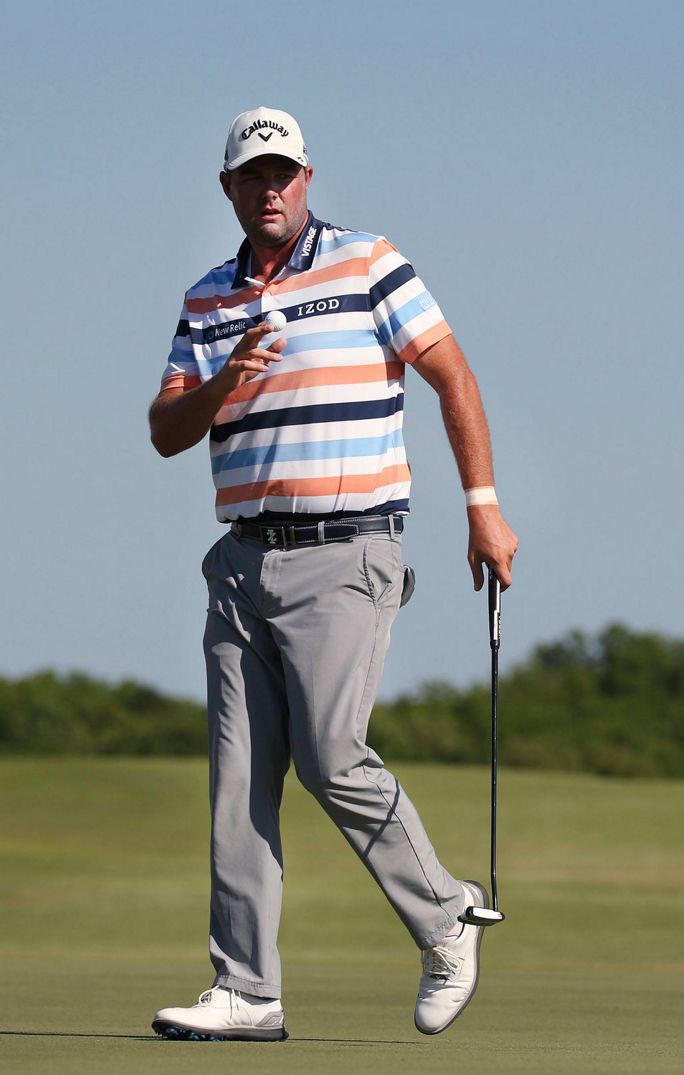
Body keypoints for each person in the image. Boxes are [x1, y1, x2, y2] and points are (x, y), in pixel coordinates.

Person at [147, 107, 518, 1042]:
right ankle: (247, 989)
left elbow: (451, 373)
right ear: (227, 190)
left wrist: (482, 506)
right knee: (238, 781)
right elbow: (165, 429)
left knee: (330, 754)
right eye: (251, 176)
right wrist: (227, 377)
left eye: (284, 173)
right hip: (238, 562)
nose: (269, 189)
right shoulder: (206, 301)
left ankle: (445, 917)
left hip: (347, 547)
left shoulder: (368, 260)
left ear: (307, 177)